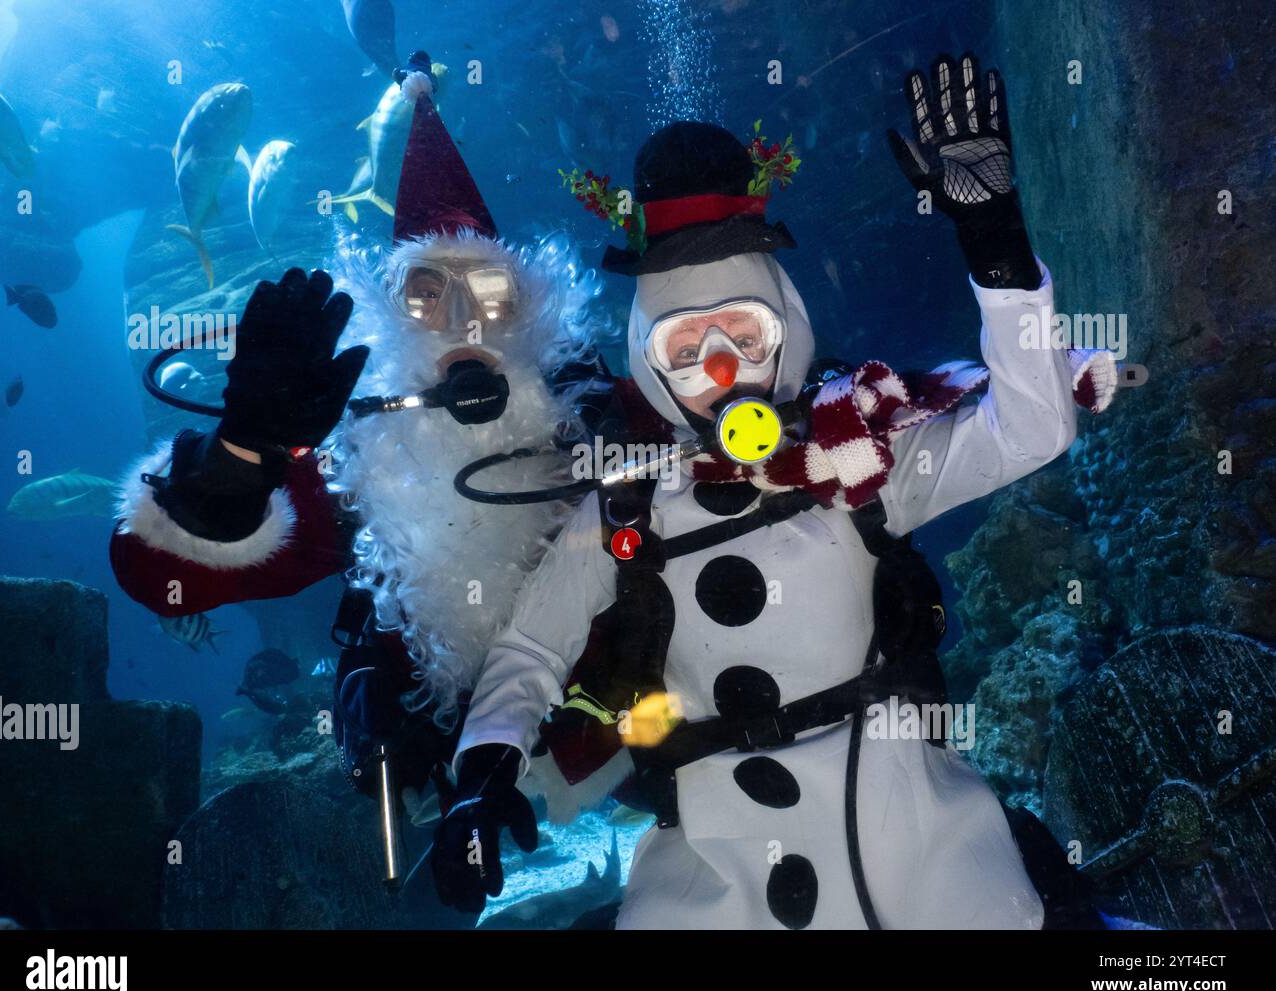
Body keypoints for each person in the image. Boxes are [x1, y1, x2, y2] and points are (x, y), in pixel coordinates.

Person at [430, 53, 1116, 928]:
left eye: (744, 335)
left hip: (918, 836)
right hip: (712, 873)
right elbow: (530, 651)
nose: (720, 372)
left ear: (788, 331)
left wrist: (996, 249)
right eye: (686, 348)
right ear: (650, 361)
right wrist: (480, 779)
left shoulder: (859, 459)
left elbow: (1031, 426)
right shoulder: (625, 508)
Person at [110, 62, 606, 826]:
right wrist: (244, 453)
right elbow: (155, 574)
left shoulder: (595, 425)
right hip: (444, 776)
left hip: (614, 751)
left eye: (493, 294)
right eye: (425, 292)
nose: (461, 321)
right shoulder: (364, 463)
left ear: (535, 309)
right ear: (392, 314)